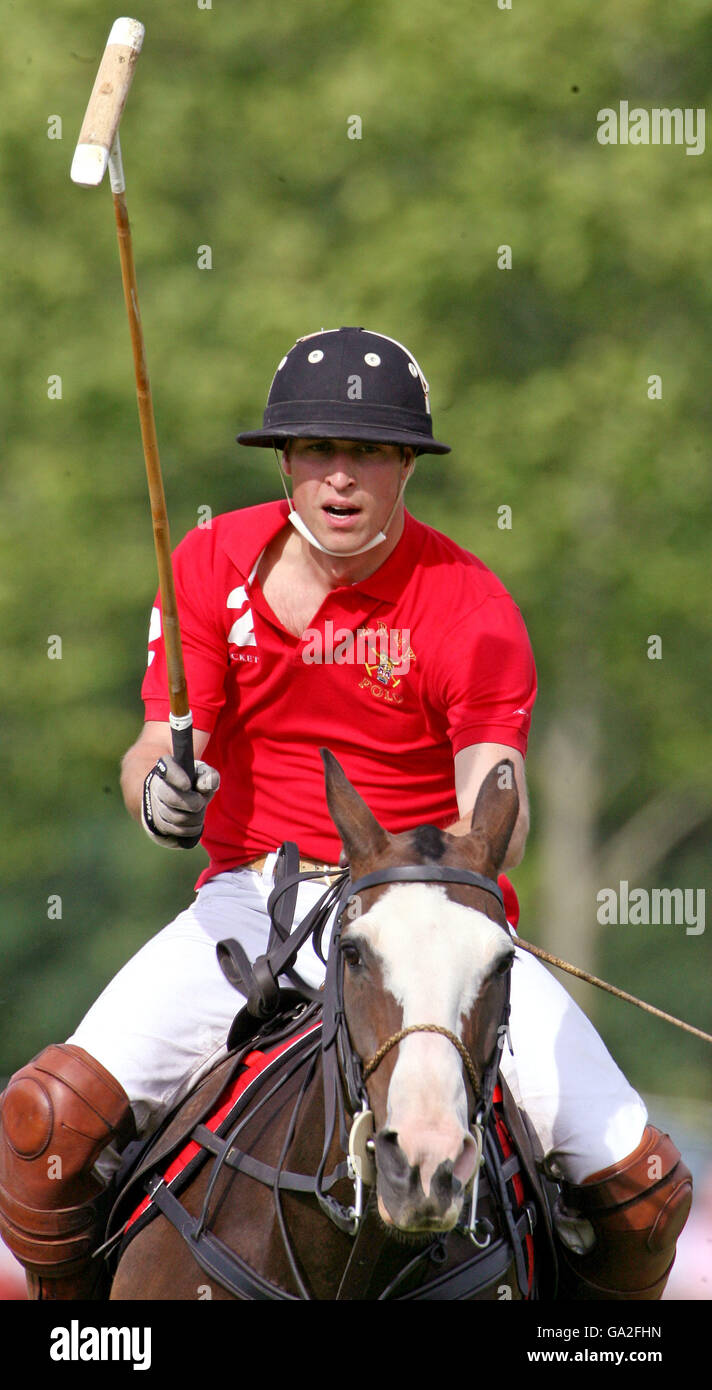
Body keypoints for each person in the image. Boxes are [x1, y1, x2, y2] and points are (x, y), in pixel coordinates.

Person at [0, 328, 691, 1300]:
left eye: (367, 451)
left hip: (428, 916)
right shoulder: (206, 561)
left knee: (641, 1187)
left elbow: (495, 784)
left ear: (406, 464)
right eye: (317, 450)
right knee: (43, 1127)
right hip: (254, 901)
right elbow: (155, 745)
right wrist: (160, 790)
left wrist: (472, 846)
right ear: (284, 461)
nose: (339, 477)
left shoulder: (468, 603)